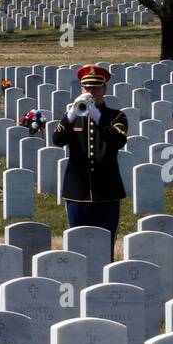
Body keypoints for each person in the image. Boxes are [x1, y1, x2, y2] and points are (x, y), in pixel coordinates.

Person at [51, 64, 129, 236]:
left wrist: (98, 117)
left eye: (96, 87)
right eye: (87, 87)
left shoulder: (116, 116)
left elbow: (118, 141)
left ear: (104, 88)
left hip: (107, 192)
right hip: (77, 191)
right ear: (81, 88)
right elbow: (57, 140)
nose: (91, 91)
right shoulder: (73, 118)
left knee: (106, 244)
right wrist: (70, 116)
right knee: (78, 242)